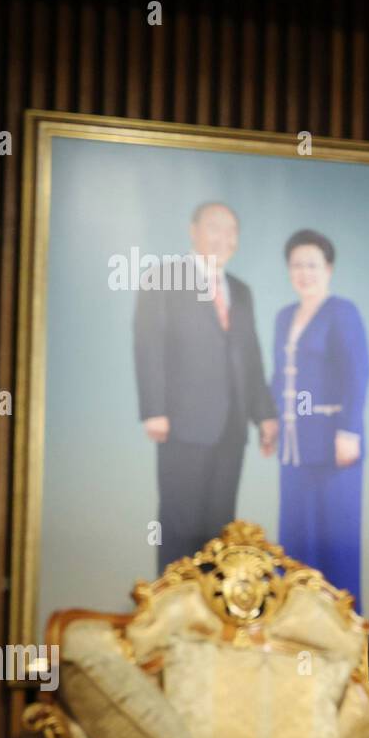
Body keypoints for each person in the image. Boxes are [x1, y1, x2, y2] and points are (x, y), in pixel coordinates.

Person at [134, 201, 277, 571]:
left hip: (232, 428)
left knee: (220, 528)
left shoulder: (240, 291)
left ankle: (212, 617)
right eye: (215, 227)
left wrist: (265, 416)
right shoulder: (164, 278)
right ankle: (172, 614)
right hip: (182, 423)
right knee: (179, 523)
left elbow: (251, 357)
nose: (224, 238)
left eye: (232, 231)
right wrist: (154, 410)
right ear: (193, 230)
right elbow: (148, 344)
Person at [266, 229, 369, 607]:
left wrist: (349, 431)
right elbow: (279, 376)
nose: (304, 272)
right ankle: (295, 631)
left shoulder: (342, 312)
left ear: (328, 268)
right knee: (296, 541)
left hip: (333, 445)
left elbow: (358, 374)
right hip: (295, 449)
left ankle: (341, 640)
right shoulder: (283, 317)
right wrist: (269, 422)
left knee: (334, 540)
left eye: (311, 264)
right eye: (296, 264)